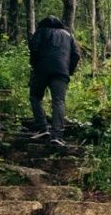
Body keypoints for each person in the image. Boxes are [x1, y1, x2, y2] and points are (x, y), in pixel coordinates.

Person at [27, 16, 80, 147]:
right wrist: (69, 70)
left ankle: (42, 127)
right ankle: (57, 135)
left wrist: (34, 65)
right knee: (58, 101)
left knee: (35, 97)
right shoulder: (68, 35)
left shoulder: (41, 31)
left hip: (42, 70)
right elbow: (76, 55)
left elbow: (33, 48)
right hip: (61, 72)